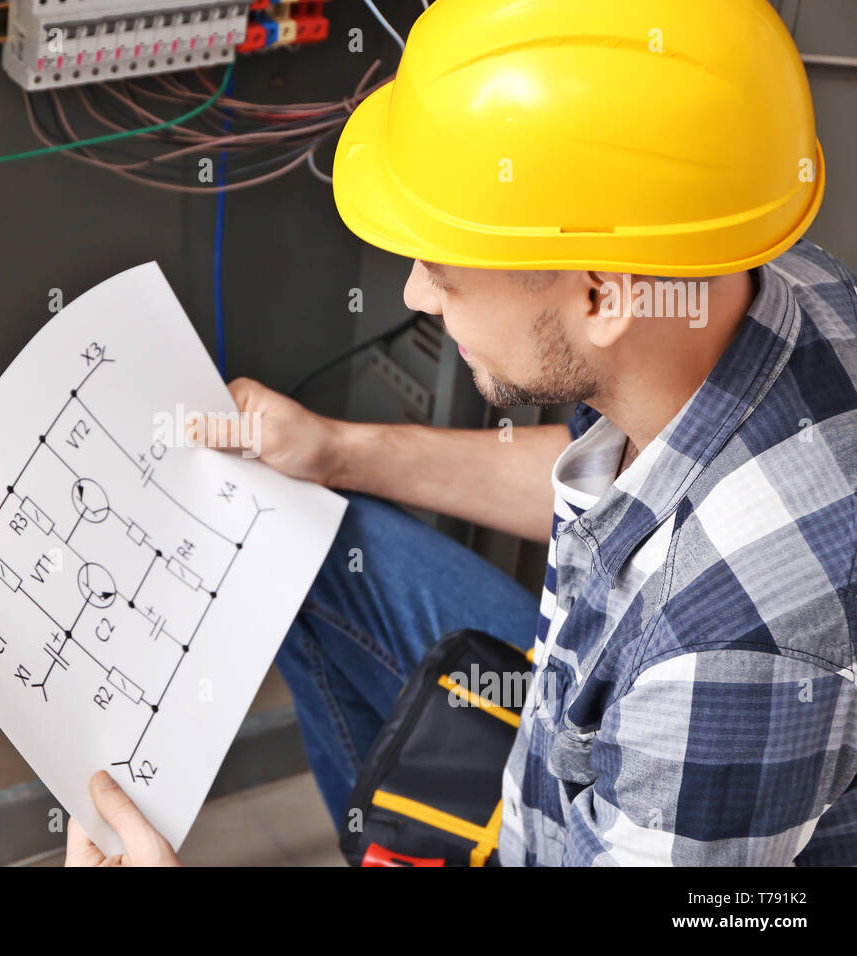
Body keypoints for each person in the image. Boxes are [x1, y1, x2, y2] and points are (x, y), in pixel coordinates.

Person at [67, 0, 857, 866]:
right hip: (570, 733)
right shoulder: (749, 272)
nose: (414, 294)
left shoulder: (728, 663)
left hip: (598, 808)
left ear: (600, 294)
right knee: (305, 530)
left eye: (443, 269)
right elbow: (614, 480)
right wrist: (336, 452)